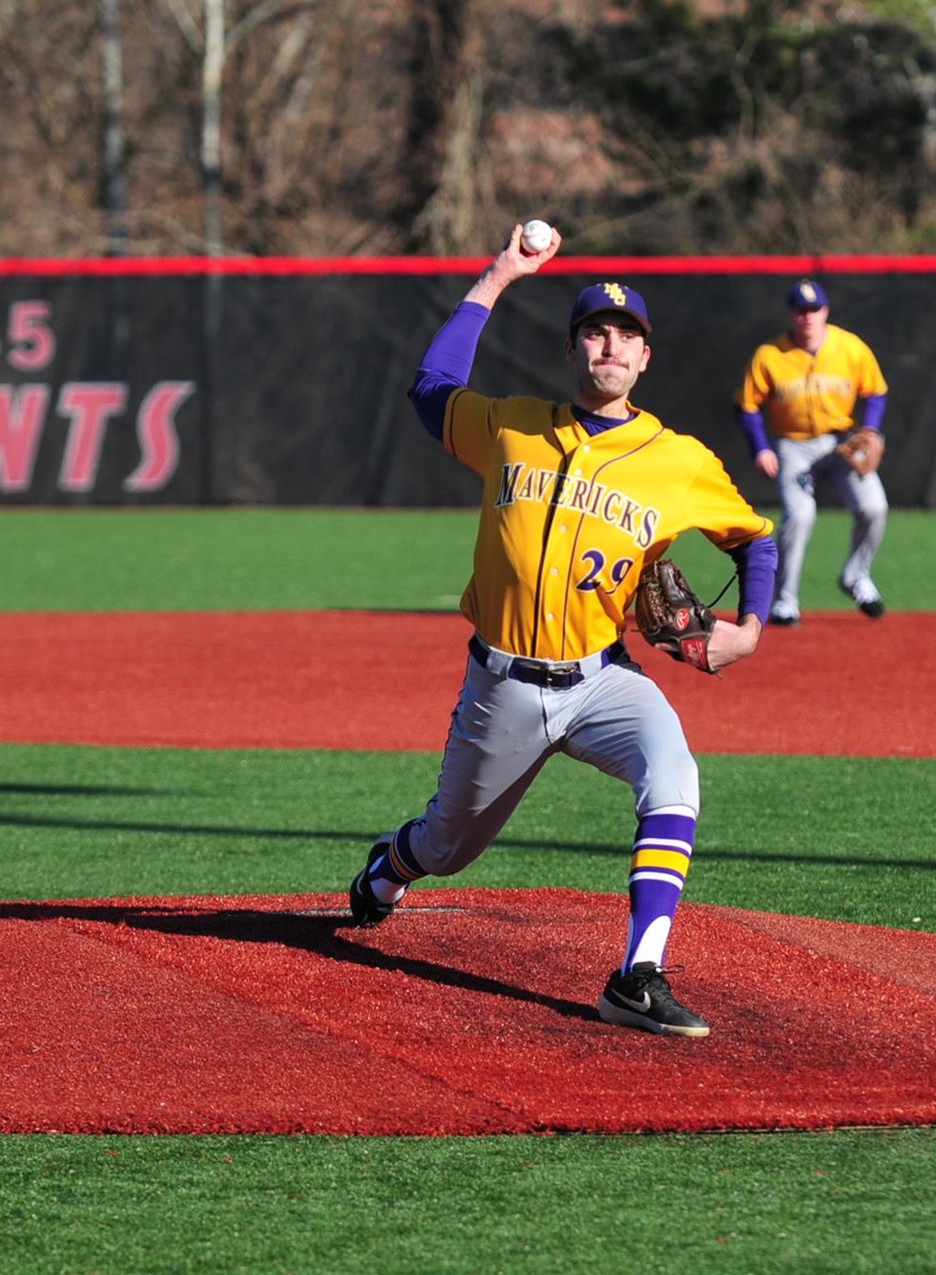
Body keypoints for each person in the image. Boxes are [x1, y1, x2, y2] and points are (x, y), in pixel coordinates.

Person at [347, 223, 778, 1039]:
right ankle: (389, 867)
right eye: (595, 331)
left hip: (602, 678)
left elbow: (757, 536)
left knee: (674, 772)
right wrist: (501, 273)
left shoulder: (678, 459)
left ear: (645, 358)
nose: (610, 345)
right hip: (502, 685)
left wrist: (750, 628)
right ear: (573, 349)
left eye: (627, 336)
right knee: (446, 846)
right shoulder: (510, 425)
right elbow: (431, 382)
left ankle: (637, 974)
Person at [735, 279, 890, 622]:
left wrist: (869, 429)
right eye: (801, 310)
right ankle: (784, 600)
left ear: (825, 311)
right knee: (800, 517)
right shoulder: (770, 356)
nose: (808, 317)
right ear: (790, 314)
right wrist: (761, 448)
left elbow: (876, 392)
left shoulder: (850, 348)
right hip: (793, 445)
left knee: (874, 507)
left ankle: (856, 575)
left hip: (841, 444)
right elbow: (746, 406)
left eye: (814, 309)